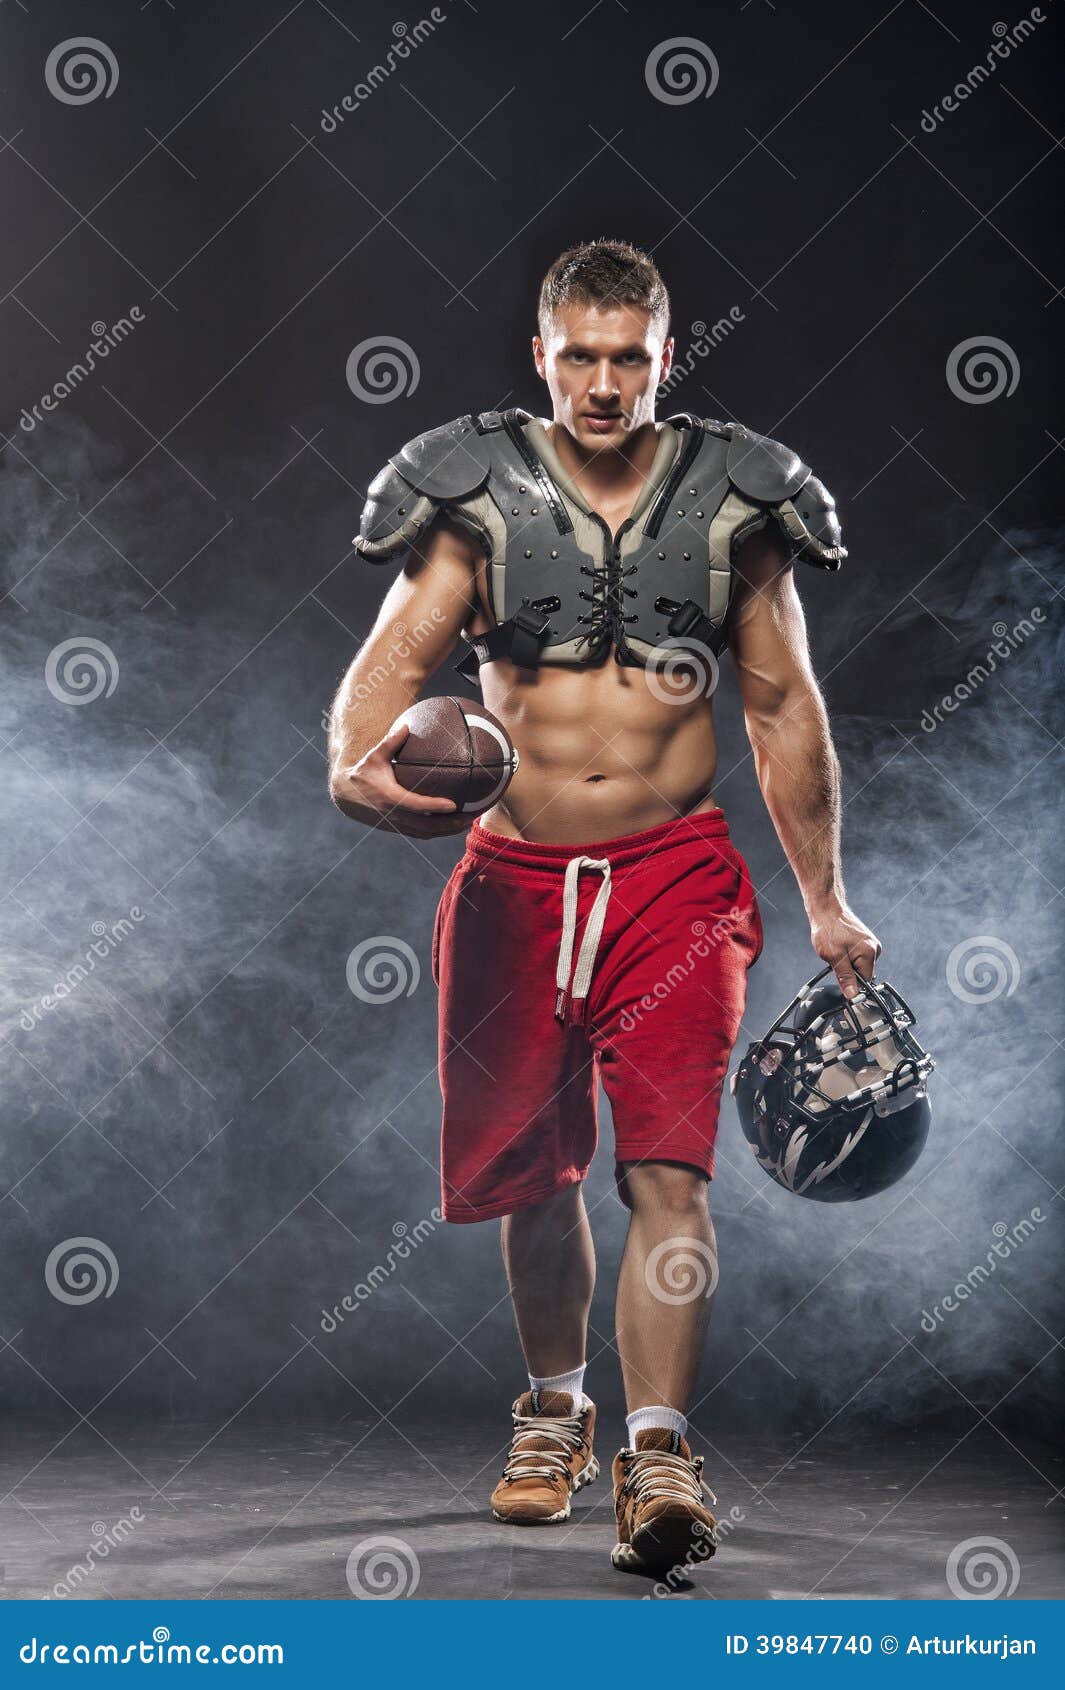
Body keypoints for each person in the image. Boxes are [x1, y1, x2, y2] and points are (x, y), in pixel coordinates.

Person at [328, 238, 880, 1578]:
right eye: (578, 355)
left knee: (667, 1171)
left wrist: (827, 901)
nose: (602, 383)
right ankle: (554, 1409)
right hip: (515, 882)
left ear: (665, 357)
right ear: (541, 354)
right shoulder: (473, 492)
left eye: (628, 358)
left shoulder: (738, 500)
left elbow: (782, 710)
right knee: (537, 1176)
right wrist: (354, 768)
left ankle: (660, 1450)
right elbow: (389, 667)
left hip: (675, 881)